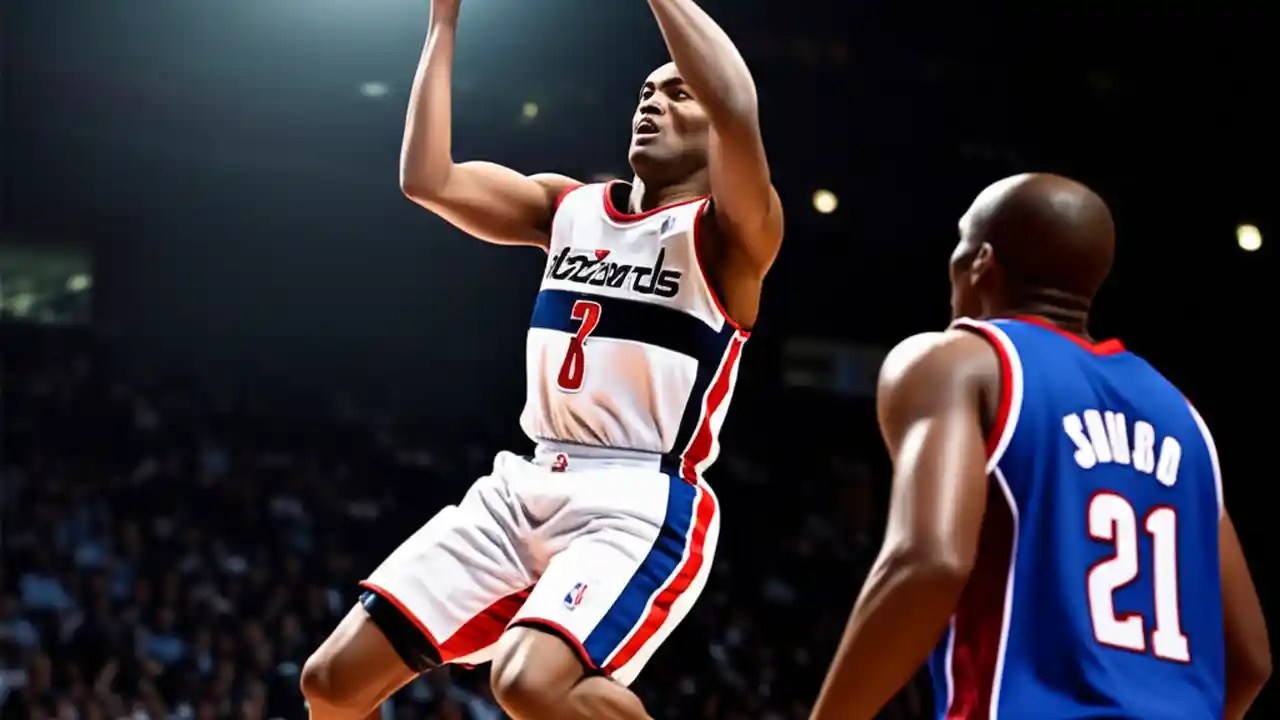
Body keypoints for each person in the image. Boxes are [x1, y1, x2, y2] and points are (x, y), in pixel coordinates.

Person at [300, 0, 783, 718]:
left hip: (639, 497)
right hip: (528, 476)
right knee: (331, 682)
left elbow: (738, 102)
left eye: (679, 93)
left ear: (715, 130)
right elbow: (428, 179)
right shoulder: (569, 207)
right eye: (646, 93)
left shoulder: (731, 236)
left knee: (528, 684)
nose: (652, 103)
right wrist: (444, 23)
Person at [809, 173, 1270, 719]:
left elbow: (929, 561)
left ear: (980, 262)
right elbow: (1250, 661)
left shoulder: (959, 362)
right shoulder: (1184, 418)